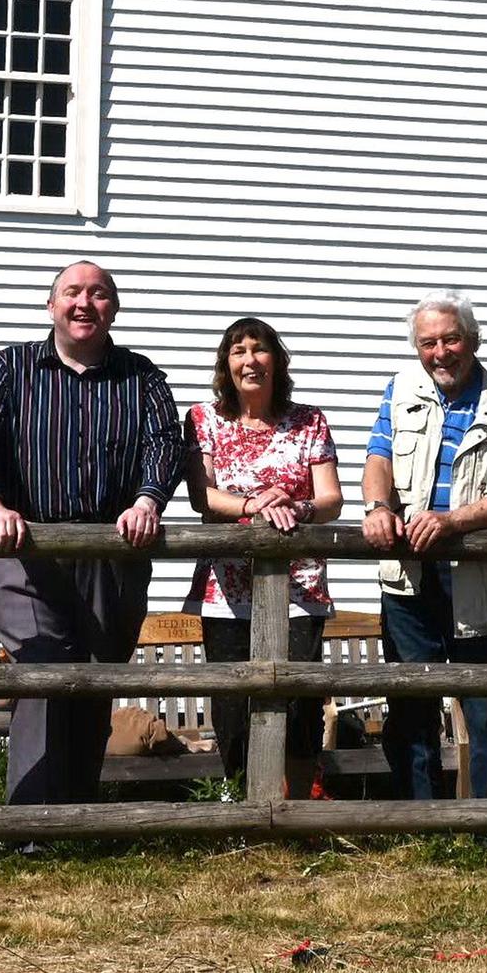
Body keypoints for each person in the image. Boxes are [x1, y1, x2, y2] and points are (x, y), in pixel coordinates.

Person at [0, 261, 187, 805]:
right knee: (45, 664)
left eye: (99, 294)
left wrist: (148, 499)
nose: (85, 303)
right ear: (51, 305)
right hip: (25, 544)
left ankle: (76, 815)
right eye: (73, 293)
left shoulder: (142, 376)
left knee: (96, 676)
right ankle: (31, 820)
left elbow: (165, 443)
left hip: (111, 550)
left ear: (114, 309)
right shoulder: (11, 367)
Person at [360, 290, 487, 800]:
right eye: (428, 342)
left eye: (451, 339)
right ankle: (423, 824)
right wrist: (377, 508)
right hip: (409, 576)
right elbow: (378, 460)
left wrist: (452, 521)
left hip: (482, 579)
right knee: (412, 706)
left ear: (474, 341)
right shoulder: (398, 392)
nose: (440, 352)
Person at [183, 316, 342, 798]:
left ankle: (295, 805)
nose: (250, 360)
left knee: (298, 701)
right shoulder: (203, 419)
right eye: (238, 351)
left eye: (259, 349)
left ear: (277, 360)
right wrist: (255, 506)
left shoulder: (309, 419)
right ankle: (242, 805)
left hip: (300, 587)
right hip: (227, 589)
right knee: (232, 705)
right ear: (225, 365)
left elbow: (330, 499)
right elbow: (202, 496)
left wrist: (294, 506)